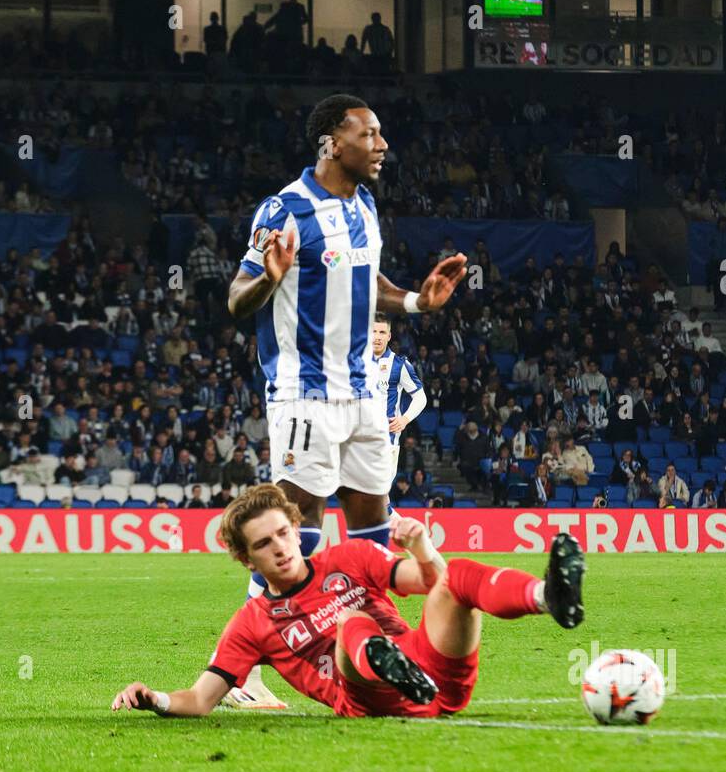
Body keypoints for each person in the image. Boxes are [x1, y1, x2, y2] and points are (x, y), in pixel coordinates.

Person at [225, 93, 467, 708]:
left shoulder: (365, 207)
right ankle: (244, 673)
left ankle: (391, 649)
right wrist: (271, 278)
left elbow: (369, 282)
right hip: (306, 394)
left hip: (363, 395)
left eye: (382, 134)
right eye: (370, 134)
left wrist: (418, 302)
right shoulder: (286, 209)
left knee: (373, 539)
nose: (382, 144)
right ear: (334, 142)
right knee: (293, 537)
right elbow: (236, 299)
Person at [111, 484, 586, 719]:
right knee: (354, 623)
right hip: (366, 698)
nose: (279, 547)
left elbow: (435, 584)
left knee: (456, 573)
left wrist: (420, 547)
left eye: (283, 533)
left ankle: (550, 596)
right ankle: (390, 667)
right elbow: (200, 699)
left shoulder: (351, 556)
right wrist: (154, 699)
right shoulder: (252, 622)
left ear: (297, 530)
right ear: (245, 558)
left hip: (437, 675)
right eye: (263, 544)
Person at [370, 314, 426, 493]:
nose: (377, 336)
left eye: (382, 332)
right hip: (358, 438)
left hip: (386, 440)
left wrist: (405, 419)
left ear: (389, 336)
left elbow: (421, 397)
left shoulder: (399, 364)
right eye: (373, 332)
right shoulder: (356, 362)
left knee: (378, 497)